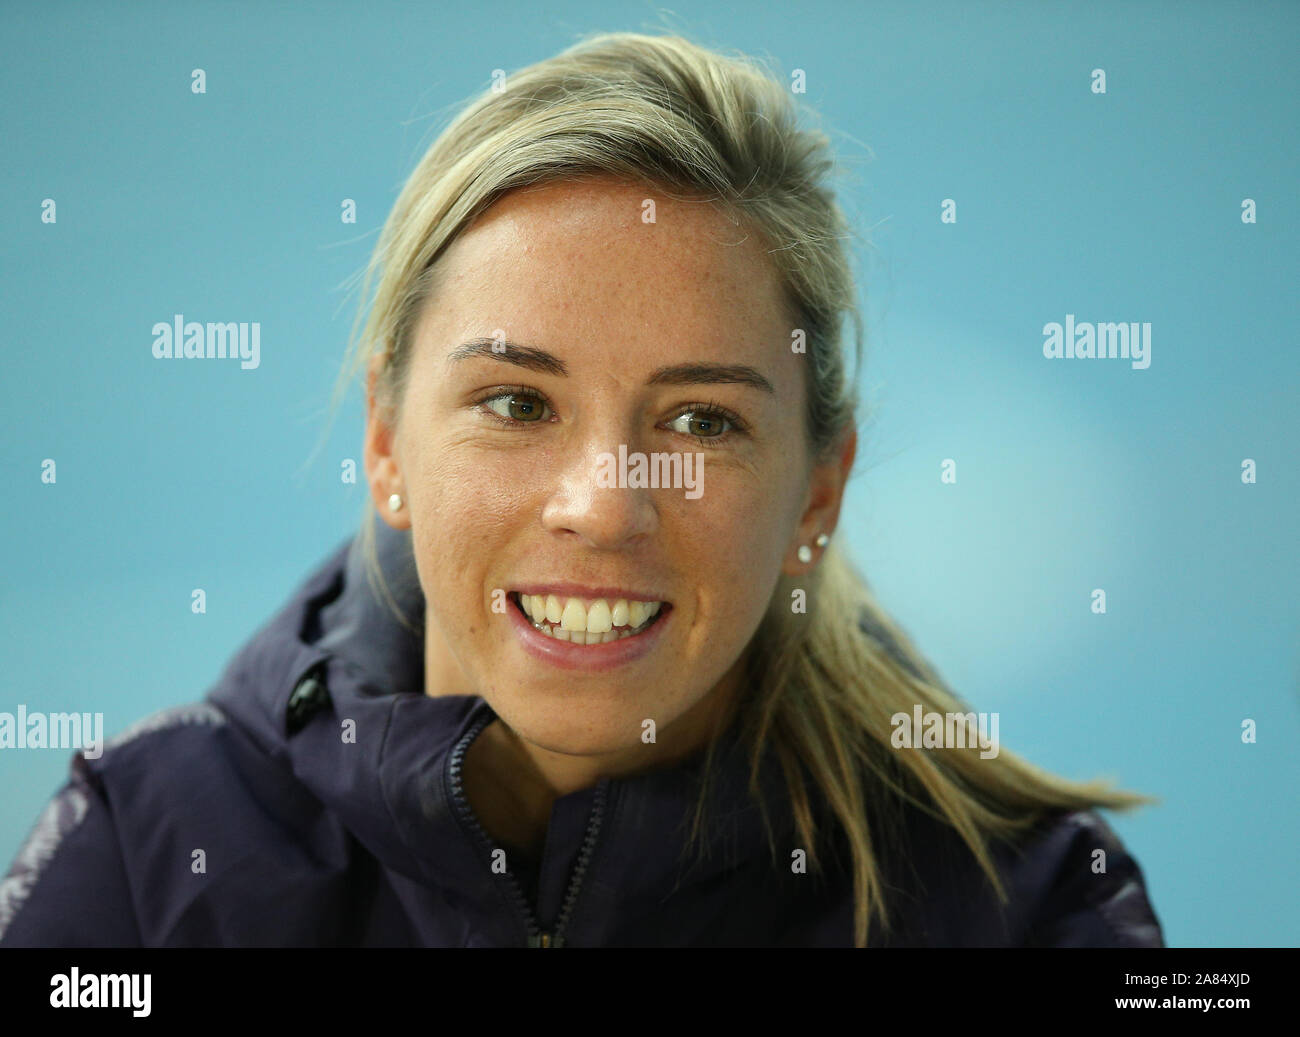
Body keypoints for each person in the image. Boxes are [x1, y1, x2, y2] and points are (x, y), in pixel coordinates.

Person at [0, 31, 1163, 948]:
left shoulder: (1023, 907)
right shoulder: (146, 865)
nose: (604, 506)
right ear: (387, 442)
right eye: (516, 402)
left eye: (702, 420)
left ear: (818, 492)